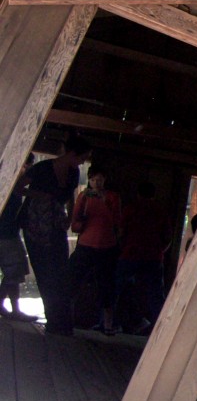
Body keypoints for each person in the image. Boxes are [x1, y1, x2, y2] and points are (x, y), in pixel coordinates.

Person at [18, 134, 92, 336]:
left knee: (60, 272)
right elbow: (17, 187)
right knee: (43, 271)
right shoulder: (42, 168)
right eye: (82, 157)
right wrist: (38, 195)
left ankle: (61, 321)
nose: (83, 162)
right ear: (71, 153)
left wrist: (69, 216)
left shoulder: (73, 172)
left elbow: (69, 196)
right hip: (36, 220)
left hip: (56, 222)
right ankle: (53, 320)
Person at [70, 166, 122, 335]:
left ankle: (107, 325)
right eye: (93, 180)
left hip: (106, 246)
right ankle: (66, 317)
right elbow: (75, 223)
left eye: (99, 179)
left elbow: (116, 220)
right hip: (86, 244)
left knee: (106, 285)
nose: (96, 183)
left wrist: (103, 200)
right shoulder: (83, 197)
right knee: (74, 281)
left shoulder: (113, 197)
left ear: (105, 180)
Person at [116, 181, 172, 335]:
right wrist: (160, 251)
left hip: (130, 253)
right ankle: (159, 329)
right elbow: (168, 237)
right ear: (154, 195)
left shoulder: (131, 209)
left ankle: (113, 322)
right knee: (155, 295)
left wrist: (123, 247)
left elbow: (121, 232)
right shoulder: (161, 211)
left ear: (138, 194)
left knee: (119, 289)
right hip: (154, 257)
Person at [0, 154, 38, 321]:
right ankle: (15, 310)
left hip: (9, 233)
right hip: (7, 234)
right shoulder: (11, 182)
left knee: (12, 273)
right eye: (26, 167)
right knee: (14, 272)